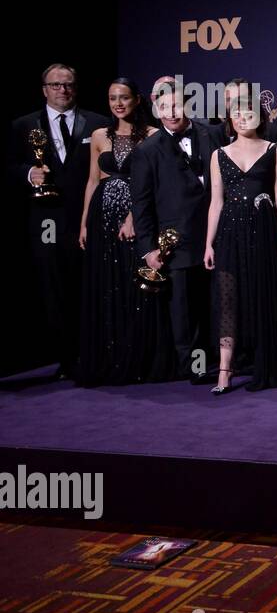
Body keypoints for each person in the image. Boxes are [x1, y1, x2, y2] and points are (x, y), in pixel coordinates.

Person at [9, 64, 110, 378]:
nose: (62, 91)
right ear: (44, 89)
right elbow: (9, 165)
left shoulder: (98, 123)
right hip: (46, 219)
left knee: (90, 285)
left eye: (68, 85)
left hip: (87, 216)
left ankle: (95, 354)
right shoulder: (23, 125)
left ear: (76, 88)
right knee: (54, 287)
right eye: (55, 85)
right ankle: (66, 359)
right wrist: (29, 173)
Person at [204, 80, 277, 394]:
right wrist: (208, 243)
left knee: (263, 296)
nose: (243, 118)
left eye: (249, 112)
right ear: (230, 118)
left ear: (261, 116)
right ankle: (224, 372)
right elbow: (215, 201)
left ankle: (266, 364)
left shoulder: (276, 150)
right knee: (228, 300)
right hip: (229, 232)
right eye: (237, 113)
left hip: (264, 229)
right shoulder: (218, 154)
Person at [76, 78, 169, 386]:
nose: (118, 103)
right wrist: (84, 221)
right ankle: (108, 358)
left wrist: (133, 217)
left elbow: (153, 184)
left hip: (137, 219)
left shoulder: (153, 135)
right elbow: (93, 179)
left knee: (134, 286)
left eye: (124, 98)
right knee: (106, 287)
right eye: (113, 98)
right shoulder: (99, 134)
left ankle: (138, 358)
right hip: (101, 218)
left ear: (137, 100)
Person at [131, 80, 224, 383]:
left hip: (216, 234)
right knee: (184, 311)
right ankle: (193, 366)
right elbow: (141, 205)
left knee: (216, 302)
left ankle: (223, 360)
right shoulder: (147, 151)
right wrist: (147, 249)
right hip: (176, 243)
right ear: (156, 110)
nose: (172, 112)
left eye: (177, 105)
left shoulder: (211, 133)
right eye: (164, 107)